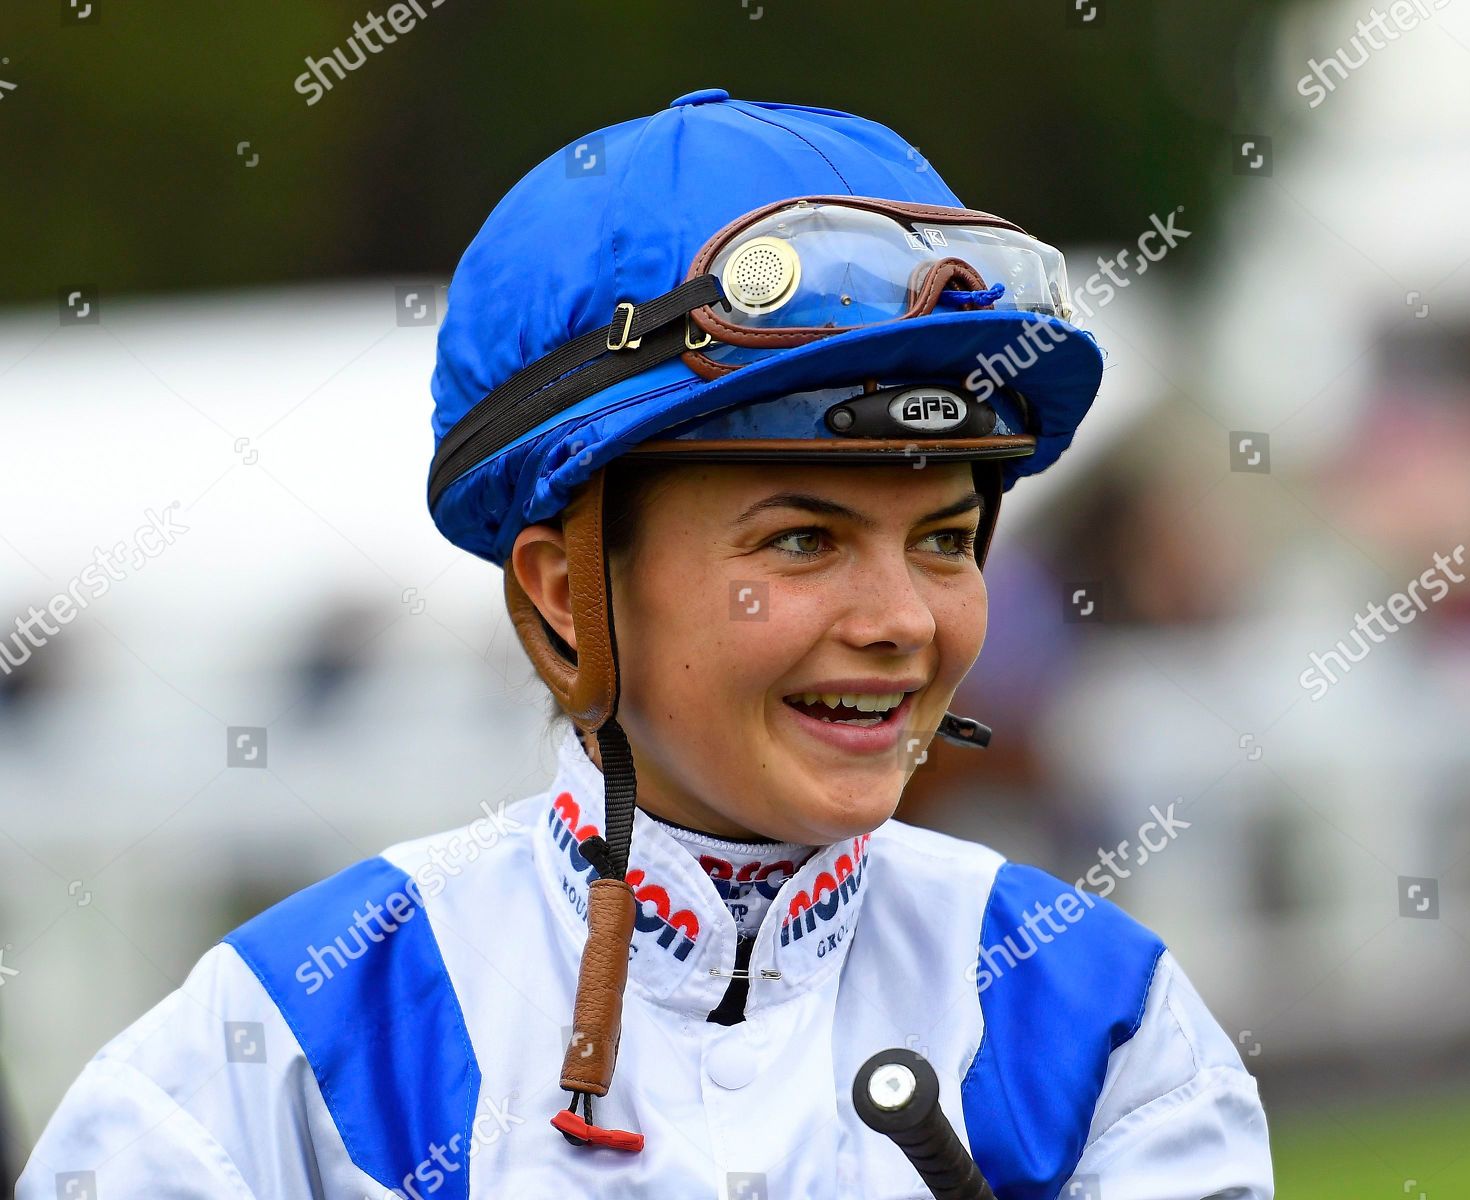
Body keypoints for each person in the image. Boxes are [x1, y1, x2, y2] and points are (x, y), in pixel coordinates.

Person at [18, 89, 1272, 1199]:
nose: (901, 619)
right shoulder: (281, 1044)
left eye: (944, 541)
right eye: (803, 541)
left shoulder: (1110, 1024)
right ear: (567, 593)